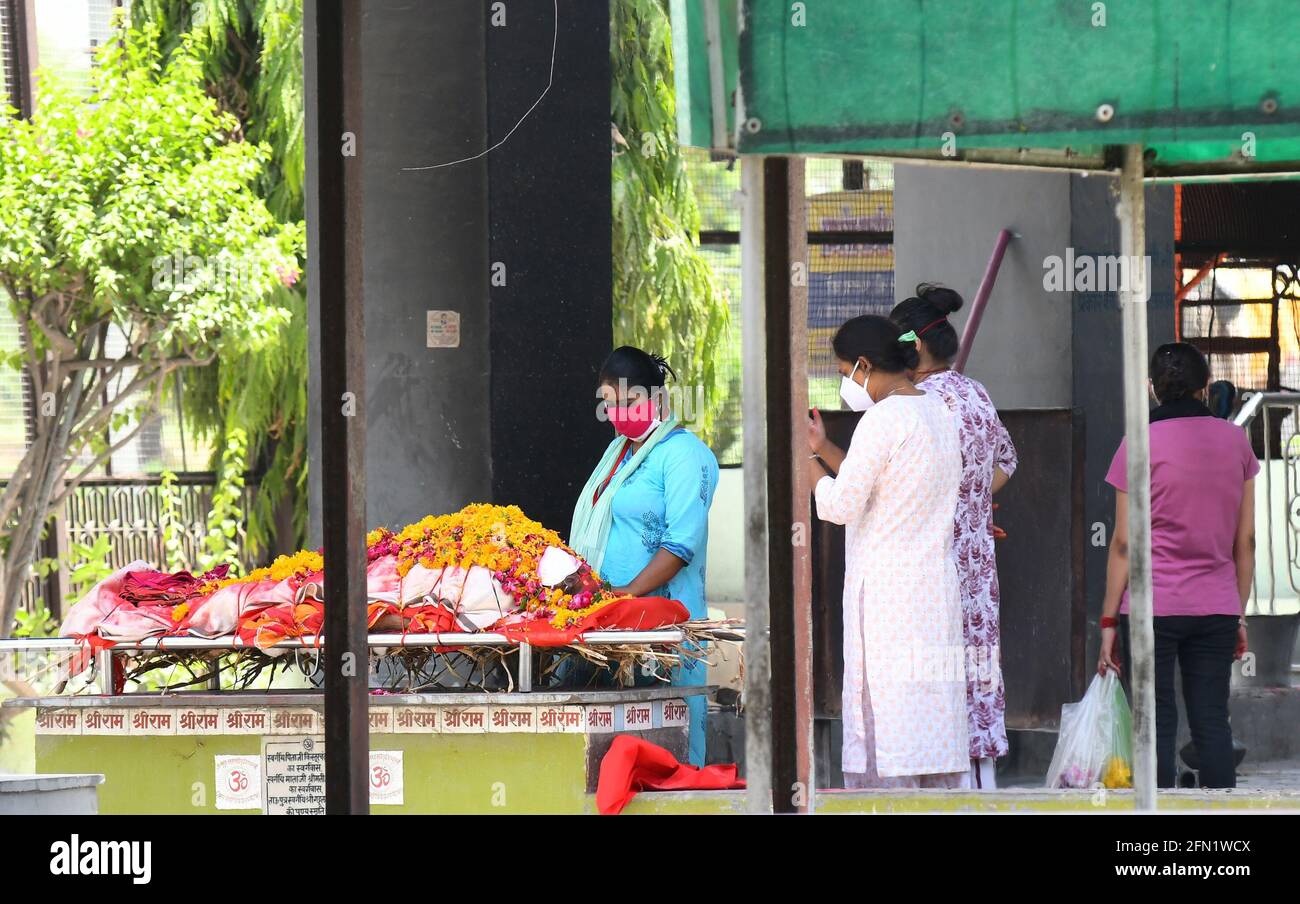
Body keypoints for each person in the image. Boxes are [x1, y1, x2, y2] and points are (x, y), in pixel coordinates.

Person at [806, 315, 969, 788]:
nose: (845, 384)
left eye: (843, 373)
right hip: (933, 595)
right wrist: (823, 450)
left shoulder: (882, 419)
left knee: (889, 727)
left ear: (864, 365)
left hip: (888, 601)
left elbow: (839, 504)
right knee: (929, 724)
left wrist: (806, 464)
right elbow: (883, 485)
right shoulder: (939, 412)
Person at [1098, 342, 1255, 788]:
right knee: (1211, 719)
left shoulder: (1138, 444)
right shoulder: (1236, 441)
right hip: (1216, 606)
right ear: (1206, 385)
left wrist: (1109, 619)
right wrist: (1237, 611)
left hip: (1150, 609)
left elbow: (1125, 543)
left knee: (1154, 721)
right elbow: (1245, 539)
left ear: (1153, 387)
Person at [890, 284, 1018, 789]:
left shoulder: (914, 405)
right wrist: (972, 502)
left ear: (913, 347)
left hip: (930, 563)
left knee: (933, 671)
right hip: (977, 564)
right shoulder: (974, 392)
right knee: (975, 664)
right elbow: (1007, 459)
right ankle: (981, 782)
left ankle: (941, 783)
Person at [570, 346, 719, 766]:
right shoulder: (617, 453)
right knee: (610, 755)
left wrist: (626, 594)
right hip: (610, 625)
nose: (619, 411)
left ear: (657, 397)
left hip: (660, 627)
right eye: (610, 402)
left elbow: (680, 546)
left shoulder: (685, 456)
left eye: (630, 400)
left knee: (664, 754)